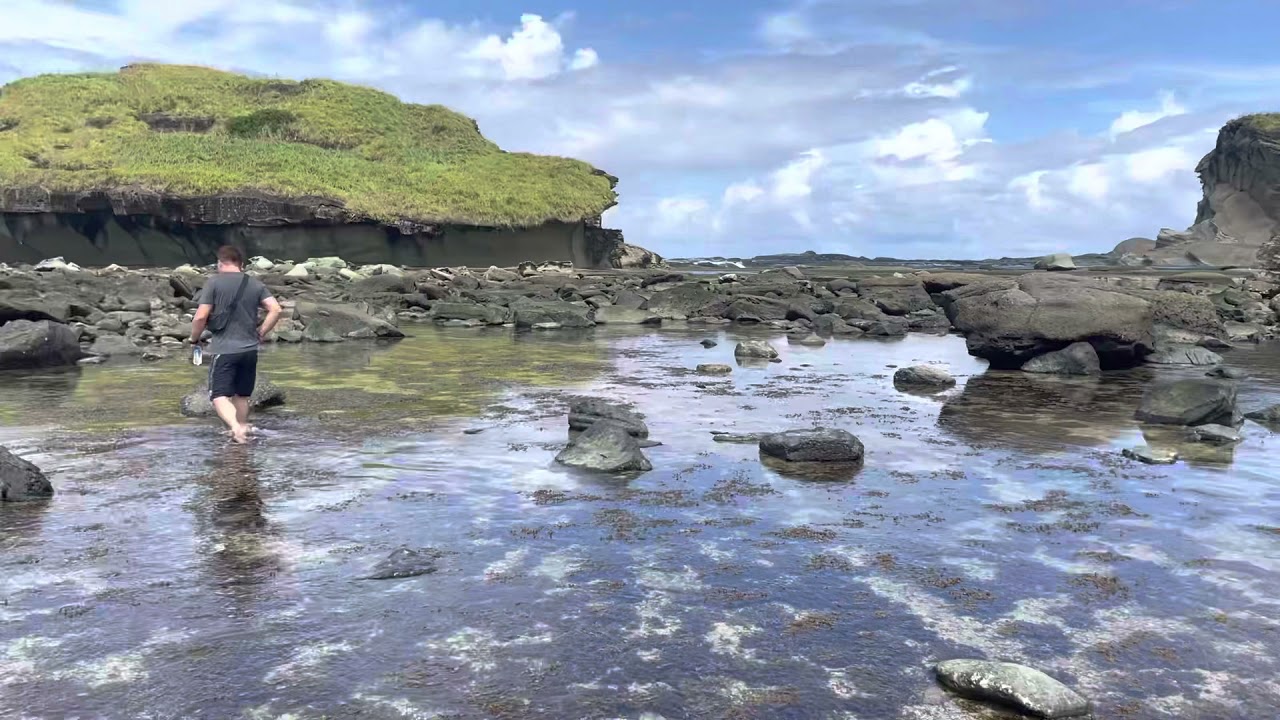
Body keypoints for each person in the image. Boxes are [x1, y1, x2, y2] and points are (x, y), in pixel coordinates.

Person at [189, 246, 282, 443]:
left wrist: (193, 338)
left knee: (218, 396)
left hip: (225, 349)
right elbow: (276, 309)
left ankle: (236, 428)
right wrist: (262, 331)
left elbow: (200, 317)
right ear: (242, 264)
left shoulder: (214, 283)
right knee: (241, 396)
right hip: (250, 350)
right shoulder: (255, 284)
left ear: (220, 263)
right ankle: (242, 430)